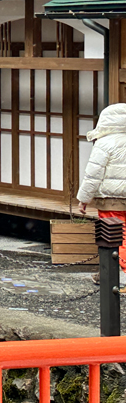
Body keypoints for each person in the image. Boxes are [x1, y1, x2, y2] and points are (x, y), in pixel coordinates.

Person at [77, 103, 126, 277]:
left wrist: (84, 198)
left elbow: (93, 174)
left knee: (112, 237)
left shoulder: (104, 143)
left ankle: (112, 275)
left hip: (110, 200)